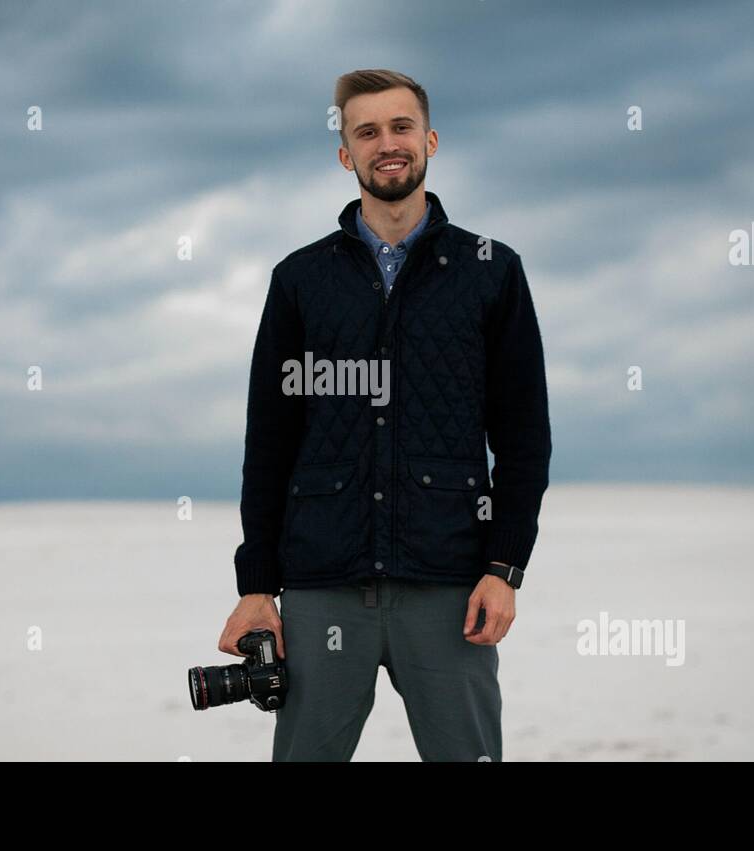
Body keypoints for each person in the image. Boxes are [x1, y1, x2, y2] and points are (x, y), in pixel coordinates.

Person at [219, 68, 552, 761]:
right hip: (322, 586)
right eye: (366, 131)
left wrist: (506, 566)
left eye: (401, 127)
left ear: (429, 139)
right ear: (346, 154)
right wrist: (256, 585)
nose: (386, 143)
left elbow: (523, 440)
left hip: (450, 586)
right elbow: (269, 443)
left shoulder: (491, 271)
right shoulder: (300, 280)